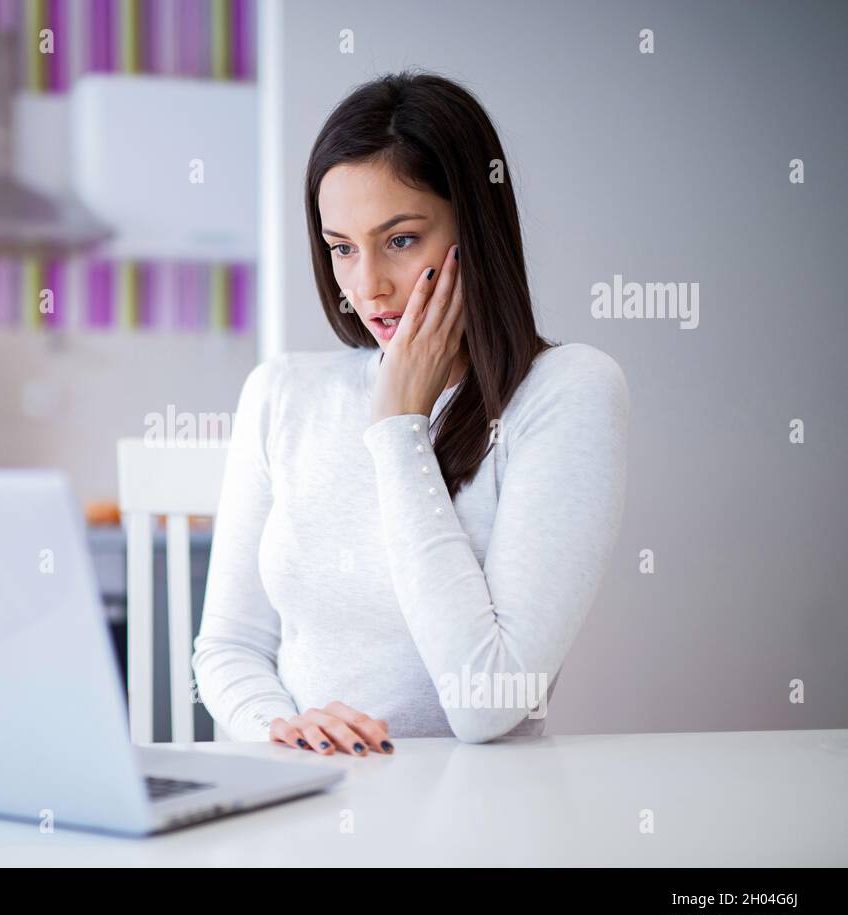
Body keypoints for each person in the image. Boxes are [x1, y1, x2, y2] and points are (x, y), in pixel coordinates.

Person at [191, 72, 629, 753]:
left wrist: (400, 428)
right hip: (303, 798)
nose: (368, 287)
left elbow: (489, 706)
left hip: (474, 817)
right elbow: (229, 644)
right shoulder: (281, 393)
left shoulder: (568, 392)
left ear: (474, 231)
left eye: (400, 240)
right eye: (342, 247)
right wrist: (282, 732)